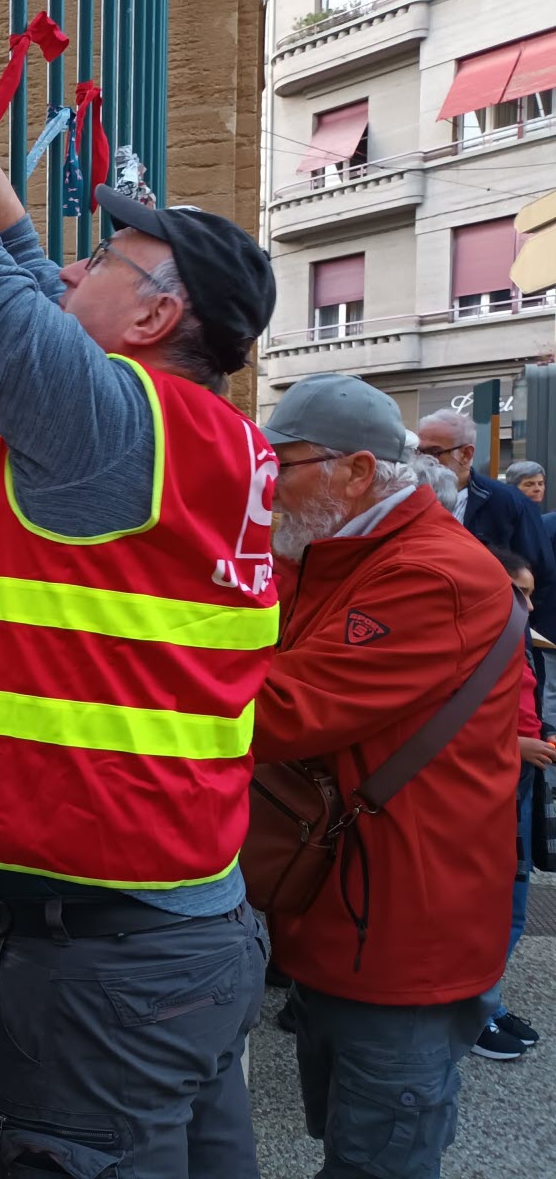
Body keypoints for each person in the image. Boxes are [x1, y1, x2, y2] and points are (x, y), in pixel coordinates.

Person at [0, 0, 279, 1172]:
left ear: (153, 316)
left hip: (111, 974)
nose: (72, 267)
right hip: (191, 928)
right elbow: (13, 247)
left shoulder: (103, 422)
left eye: (108, 258)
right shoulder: (198, 433)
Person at [258, 374, 522, 1179]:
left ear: (358, 472)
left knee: (377, 1163)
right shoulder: (340, 551)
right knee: (355, 1146)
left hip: (403, 938)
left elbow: (280, 711)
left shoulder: (429, 575)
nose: (268, 488)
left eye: (282, 466)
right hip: (348, 914)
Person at [480, 546, 549, 1061]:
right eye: (517, 593)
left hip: (519, 783)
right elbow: (443, 722)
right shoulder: (478, 640)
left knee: (514, 905)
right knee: (492, 907)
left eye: (529, 594)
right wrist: (515, 745)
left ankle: (488, 1000)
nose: (527, 605)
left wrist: (538, 737)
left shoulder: (518, 637)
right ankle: (473, 1010)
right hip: (491, 787)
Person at [416, 408, 556, 642]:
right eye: (418, 451)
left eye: (434, 452)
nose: (423, 460)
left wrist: (520, 630)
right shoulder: (404, 495)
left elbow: (539, 573)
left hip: (490, 634)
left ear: (466, 454)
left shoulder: (508, 503)